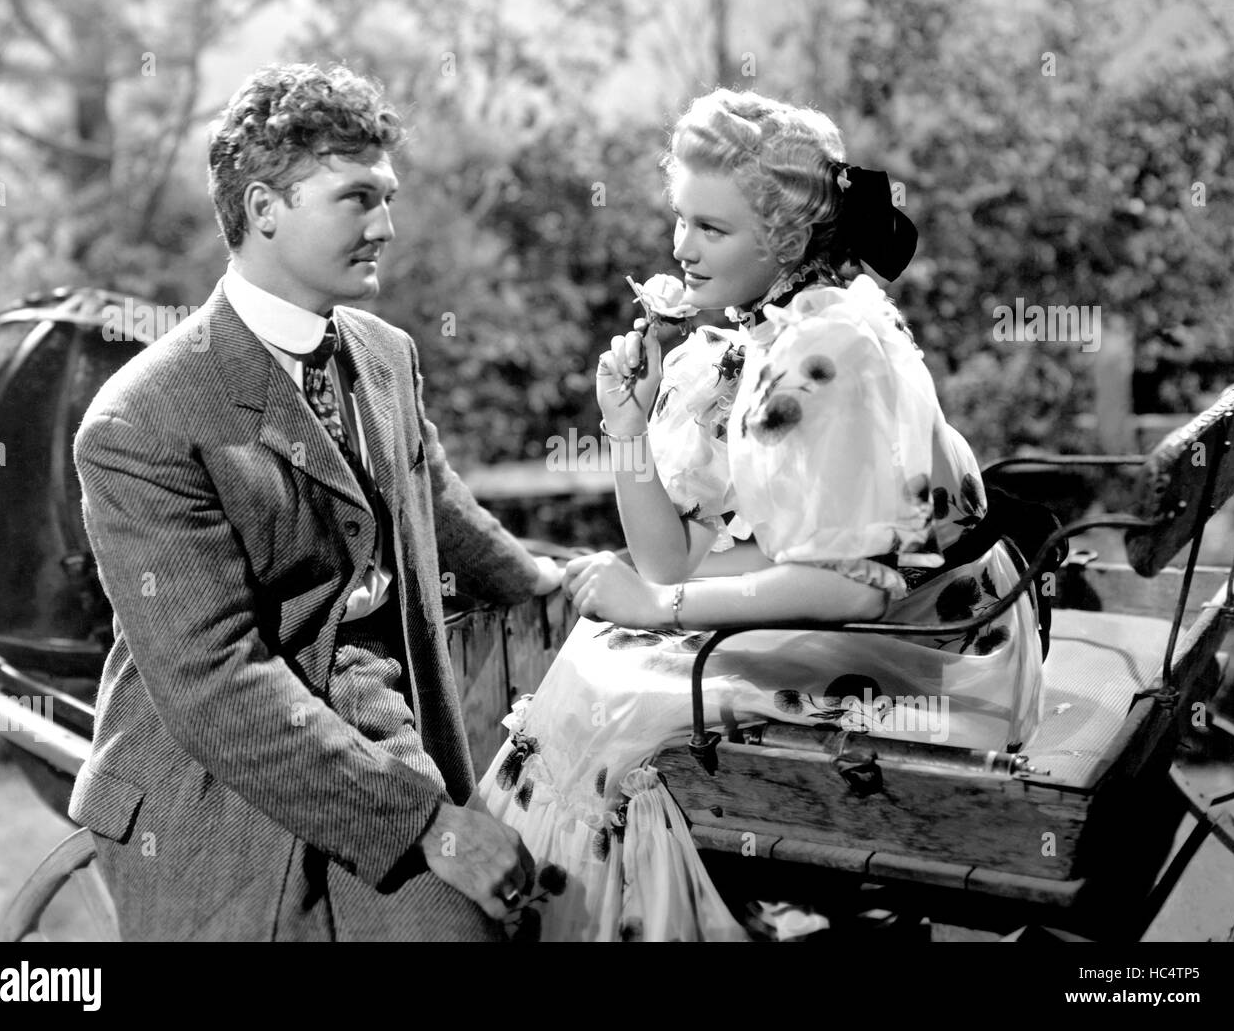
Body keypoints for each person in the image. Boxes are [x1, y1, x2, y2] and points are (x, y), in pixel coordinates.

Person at [476, 88, 1043, 941]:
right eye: (681, 220)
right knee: (598, 663)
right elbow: (670, 560)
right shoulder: (742, 344)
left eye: (712, 229)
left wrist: (659, 608)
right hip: (870, 618)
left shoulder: (832, 350)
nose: (681, 249)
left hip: (937, 646)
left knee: (617, 698)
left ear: (782, 236)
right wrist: (625, 431)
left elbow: (855, 590)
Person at [69, 63, 562, 941]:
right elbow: (217, 684)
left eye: (389, 196)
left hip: (387, 746)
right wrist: (431, 825)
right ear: (264, 208)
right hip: (219, 791)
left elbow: (432, 501)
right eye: (358, 198)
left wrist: (563, 587)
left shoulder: (385, 353)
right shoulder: (141, 419)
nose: (387, 225)